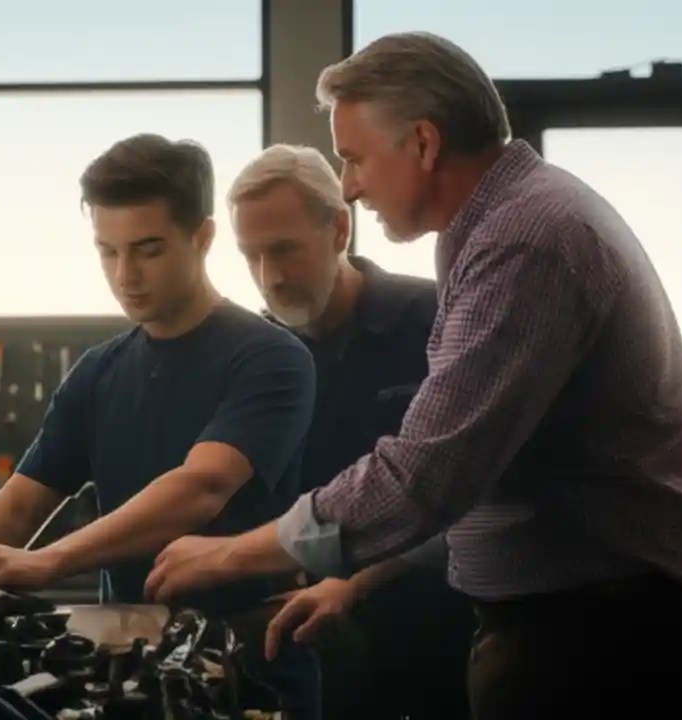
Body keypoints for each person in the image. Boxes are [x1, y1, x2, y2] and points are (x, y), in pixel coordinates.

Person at [145, 31, 682, 720]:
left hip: (597, 653)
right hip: (579, 634)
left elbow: (426, 476)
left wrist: (231, 557)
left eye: (355, 158)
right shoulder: (502, 226)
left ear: (424, 143)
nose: (350, 186)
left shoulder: (524, 242)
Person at [0, 133, 321, 717]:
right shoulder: (99, 371)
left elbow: (201, 488)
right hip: (130, 673)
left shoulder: (272, 358)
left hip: (252, 675)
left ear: (204, 237)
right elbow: (19, 505)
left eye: (148, 249)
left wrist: (50, 560)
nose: (126, 275)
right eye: (108, 252)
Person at [227, 142, 474, 719]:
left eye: (285, 250)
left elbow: (466, 494)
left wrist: (356, 584)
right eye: (251, 256)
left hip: (443, 641)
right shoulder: (259, 357)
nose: (271, 277)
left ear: (340, 229)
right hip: (310, 653)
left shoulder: (440, 317)